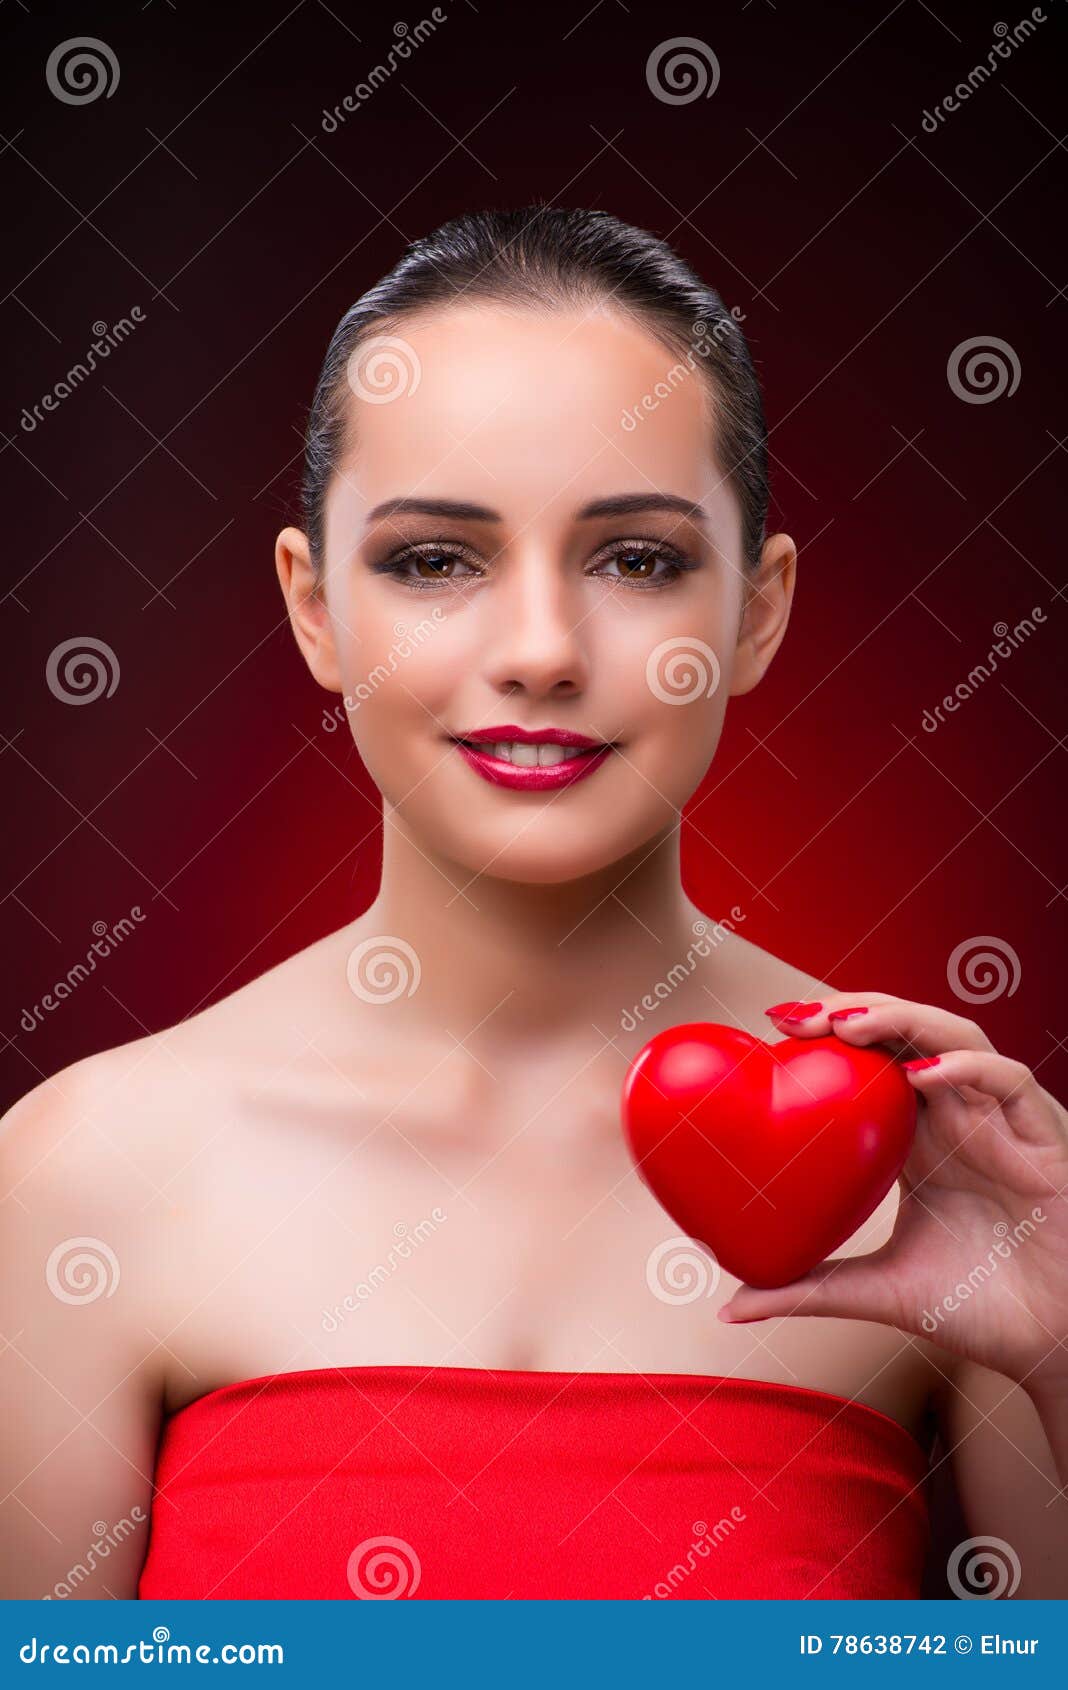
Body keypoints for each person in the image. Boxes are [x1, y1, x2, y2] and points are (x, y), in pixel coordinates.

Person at [2, 205, 1066, 1601]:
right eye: (436, 560)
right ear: (315, 608)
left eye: (637, 559)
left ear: (757, 609)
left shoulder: (940, 1178)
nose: (543, 651)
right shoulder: (87, 1173)